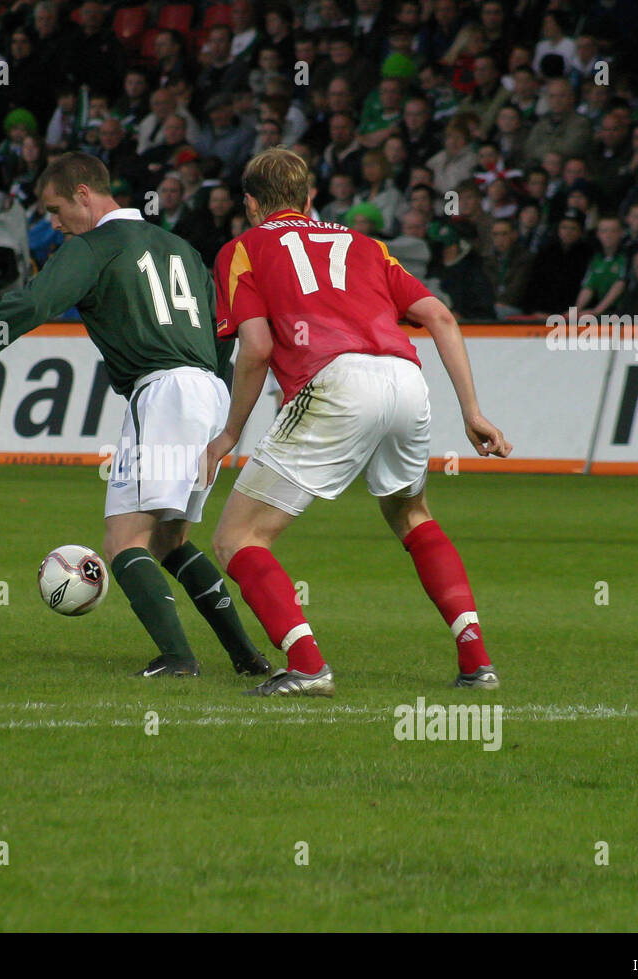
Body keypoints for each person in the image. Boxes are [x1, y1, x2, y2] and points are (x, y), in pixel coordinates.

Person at [0, 152, 269, 680]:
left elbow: (35, 302)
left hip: (165, 392)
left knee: (123, 540)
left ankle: (178, 660)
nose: (54, 224)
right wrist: (215, 404)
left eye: (56, 210)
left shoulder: (95, 247)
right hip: (208, 391)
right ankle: (246, 656)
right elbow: (223, 329)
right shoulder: (182, 248)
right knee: (170, 540)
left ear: (85, 193)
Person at [201, 148, 512, 697]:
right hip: (404, 378)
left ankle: (307, 665)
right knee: (412, 514)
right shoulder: (365, 244)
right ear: (310, 199)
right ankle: (477, 662)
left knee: (237, 538)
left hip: (335, 380)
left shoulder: (242, 249)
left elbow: (254, 348)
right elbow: (439, 315)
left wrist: (229, 434)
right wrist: (472, 412)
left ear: (250, 204)